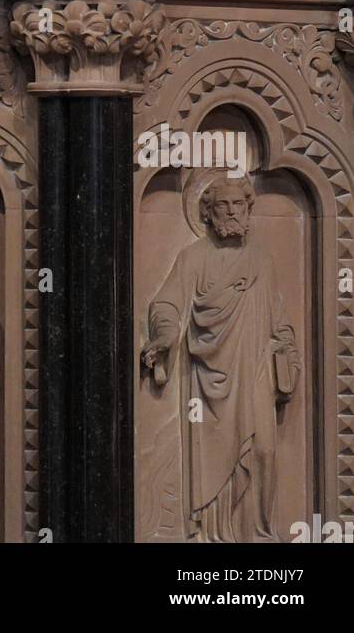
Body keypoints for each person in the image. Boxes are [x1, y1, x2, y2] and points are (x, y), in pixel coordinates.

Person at [141, 172, 300, 542]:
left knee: (263, 449)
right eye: (223, 205)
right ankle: (214, 535)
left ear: (248, 209)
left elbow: (278, 317)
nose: (232, 212)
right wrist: (165, 334)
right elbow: (166, 303)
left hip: (257, 368)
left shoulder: (261, 259)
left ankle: (259, 532)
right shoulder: (193, 259)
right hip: (210, 378)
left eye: (239, 204)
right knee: (214, 457)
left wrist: (288, 353)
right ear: (208, 214)